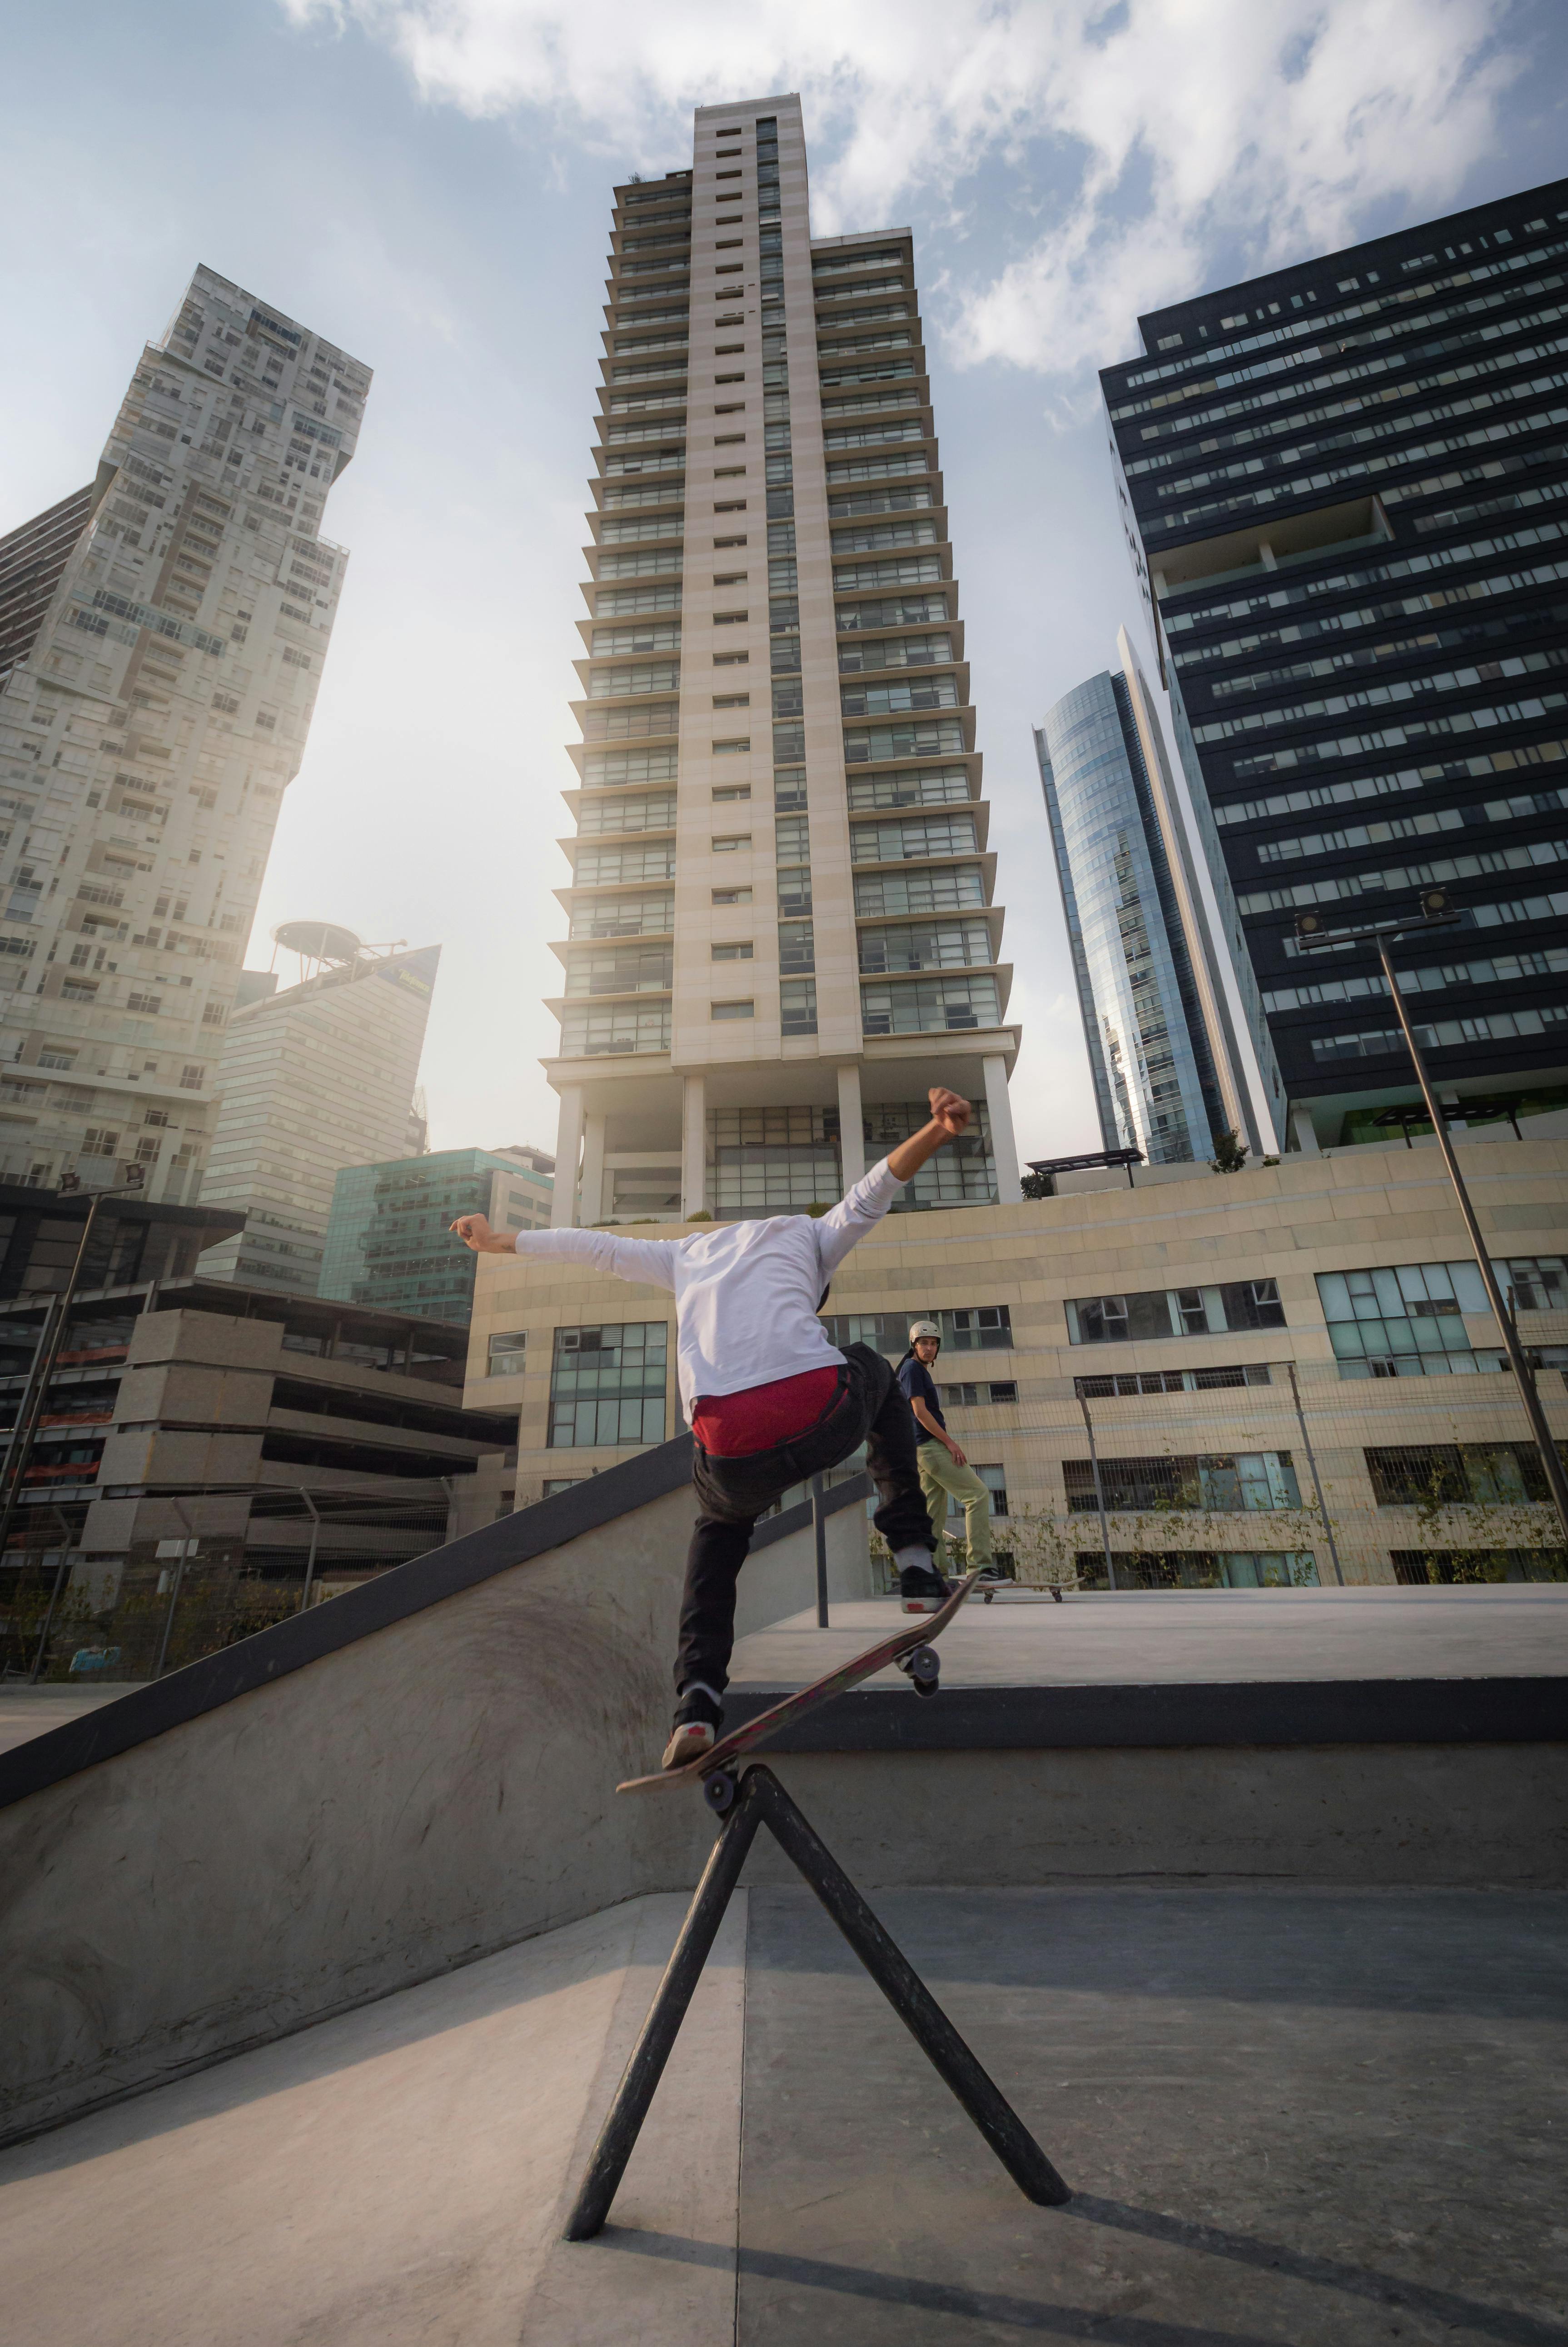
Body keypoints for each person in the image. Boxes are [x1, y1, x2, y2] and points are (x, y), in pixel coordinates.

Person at [453, 1086, 975, 1769]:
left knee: (717, 1535)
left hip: (728, 1446)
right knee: (876, 1368)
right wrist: (936, 1131)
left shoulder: (685, 1254)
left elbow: (594, 1249)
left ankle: (696, 1698)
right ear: (815, 1288)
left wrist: (500, 1241)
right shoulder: (812, 1237)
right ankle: (913, 1561)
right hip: (816, 1411)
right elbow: (874, 1190)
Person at [896, 1319, 995, 1580]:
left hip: (921, 1449)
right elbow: (920, 1411)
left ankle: (935, 1571)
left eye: (933, 1344)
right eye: (924, 1343)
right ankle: (980, 1566)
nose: (929, 1349)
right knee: (978, 1495)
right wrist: (950, 1443)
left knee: (933, 1514)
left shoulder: (914, 1370)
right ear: (914, 1345)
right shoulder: (913, 1370)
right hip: (930, 1446)